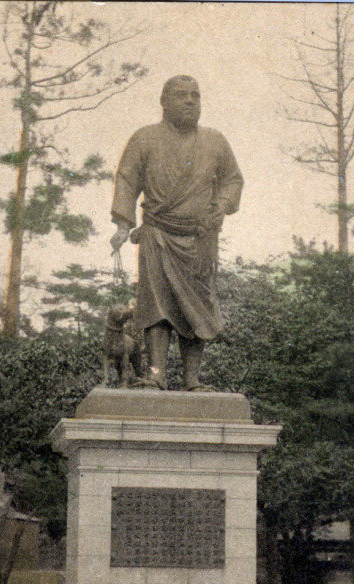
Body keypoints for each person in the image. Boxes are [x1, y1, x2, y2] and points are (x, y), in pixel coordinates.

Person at [110, 75, 243, 391]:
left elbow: (233, 180)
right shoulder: (145, 139)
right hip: (158, 234)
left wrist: (221, 204)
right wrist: (123, 224)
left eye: (195, 95)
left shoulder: (215, 141)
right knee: (157, 306)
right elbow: (127, 180)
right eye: (181, 95)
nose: (190, 101)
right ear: (164, 102)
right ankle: (156, 373)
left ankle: (192, 377)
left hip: (200, 237)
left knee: (198, 308)